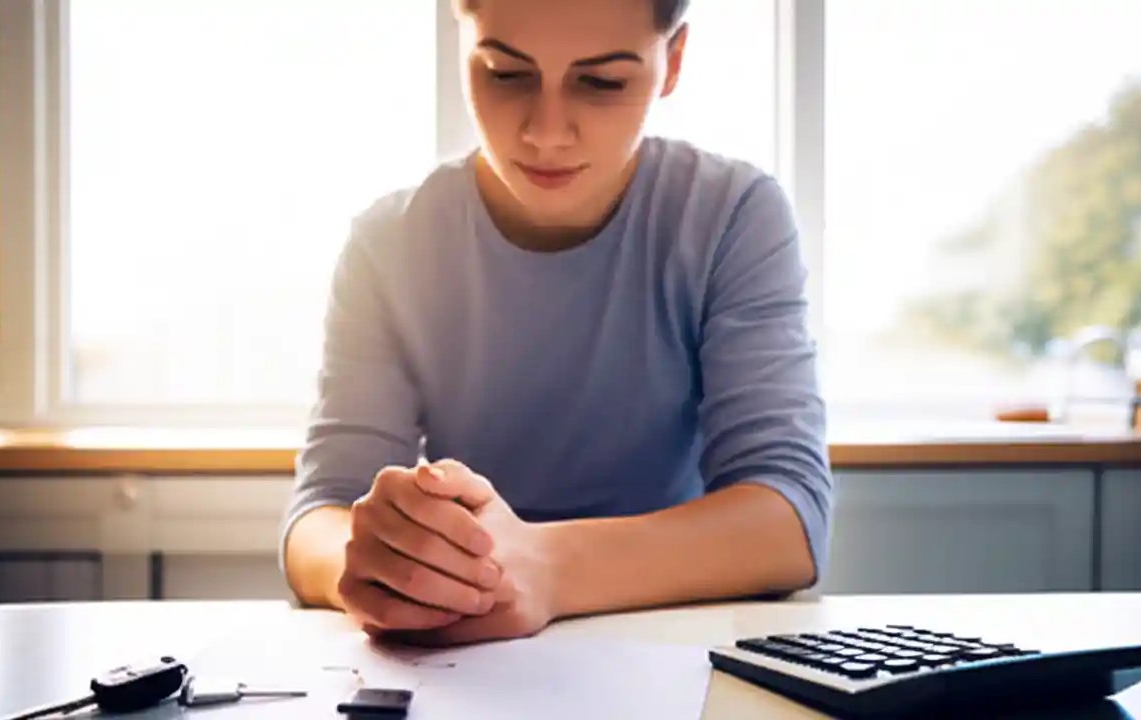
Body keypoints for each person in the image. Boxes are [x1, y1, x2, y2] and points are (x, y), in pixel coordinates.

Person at [280, 0, 833, 647]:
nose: (545, 132)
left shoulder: (732, 215)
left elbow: (788, 517)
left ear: (672, 61)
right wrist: (380, 558)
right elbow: (321, 514)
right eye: (505, 74)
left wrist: (545, 568)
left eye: (601, 83)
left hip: (668, 644)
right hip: (465, 653)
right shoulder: (389, 240)